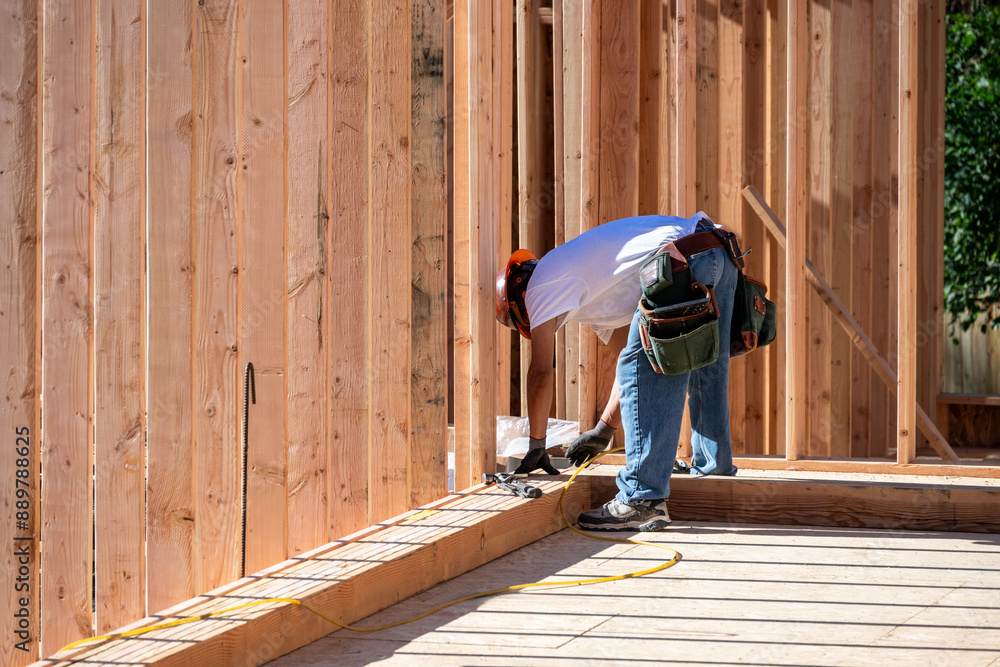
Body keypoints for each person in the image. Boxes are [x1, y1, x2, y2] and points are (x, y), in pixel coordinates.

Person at [496, 212, 739, 531]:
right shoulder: (594, 298)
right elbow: (632, 365)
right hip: (718, 251)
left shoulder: (540, 283)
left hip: (678, 260)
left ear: (521, 304)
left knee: (656, 362)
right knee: (704, 366)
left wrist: (537, 443)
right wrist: (603, 430)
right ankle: (713, 470)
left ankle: (642, 499)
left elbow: (541, 372)